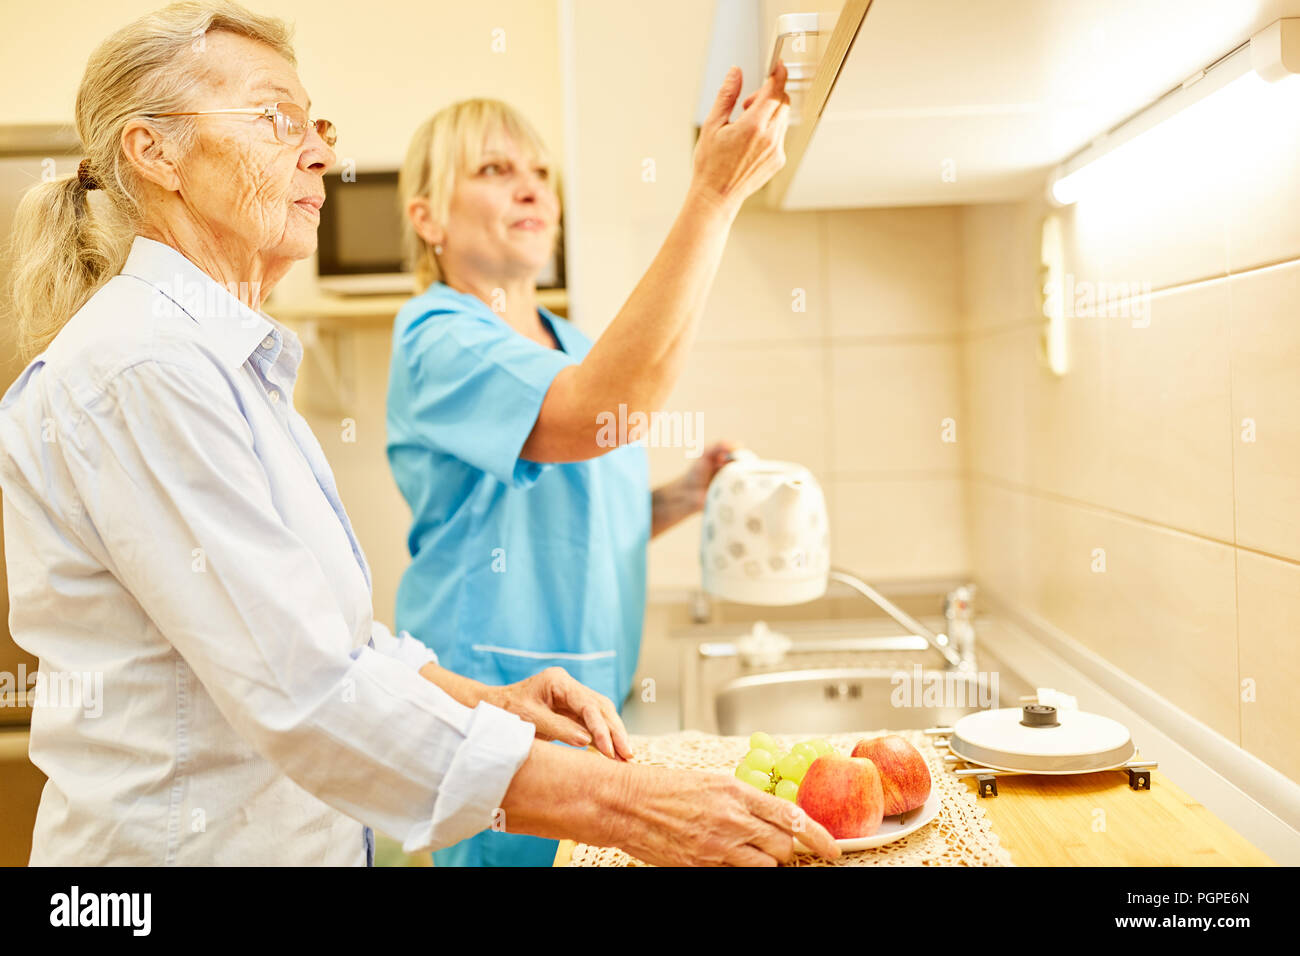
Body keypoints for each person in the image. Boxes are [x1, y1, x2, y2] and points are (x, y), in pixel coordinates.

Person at [0, 0, 836, 867]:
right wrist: (630, 806)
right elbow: (310, 693)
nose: (322, 151)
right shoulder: (146, 370)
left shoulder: (225, 368)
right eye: (276, 118)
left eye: (315, 122)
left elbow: (338, 643)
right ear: (154, 151)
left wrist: (483, 700)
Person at [390, 74, 789, 868]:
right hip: (498, 723)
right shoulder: (438, 336)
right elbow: (616, 404)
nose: (532, 188)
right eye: (494, 170)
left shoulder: (572, 344)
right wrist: (713, 194)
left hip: (596, 711)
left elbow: (586, 513)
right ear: (426, 217)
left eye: (540, 172)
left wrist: (684, 494)